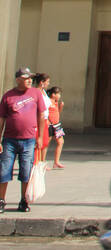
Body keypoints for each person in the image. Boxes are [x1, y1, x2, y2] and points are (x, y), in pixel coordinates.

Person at [0, 68, 45, 213]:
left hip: (29, 140)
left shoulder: (36, 93)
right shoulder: (8, 96)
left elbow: (41, 116)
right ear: (18, 79)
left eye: (31, 78)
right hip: (9, 140)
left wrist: (39, 137)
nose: (30, 80)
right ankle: (1, 200)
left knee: (26, 171)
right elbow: (1, 119)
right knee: (4, 170)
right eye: (26, 78)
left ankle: (24, 200)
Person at [32, 73, 51, 165]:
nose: (48, 84)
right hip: (38, 120)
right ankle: (34, 163)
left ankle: (39, 161)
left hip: (45, 120)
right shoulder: (36, 92)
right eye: (47, 82)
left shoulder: (44, 92)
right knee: (37, 142)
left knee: (44, 142)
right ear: (41, 82)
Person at [47, 86, 65, 168]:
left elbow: (58, 112)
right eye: (58, 94)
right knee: (46, 144)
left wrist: (61, 107)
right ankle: (42, 162)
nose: (60, 96)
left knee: (61, 142)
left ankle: (56, 162)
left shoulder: (56, 102)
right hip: (50, 125)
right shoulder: (48, 102)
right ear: (53, 94)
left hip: (57, 124)